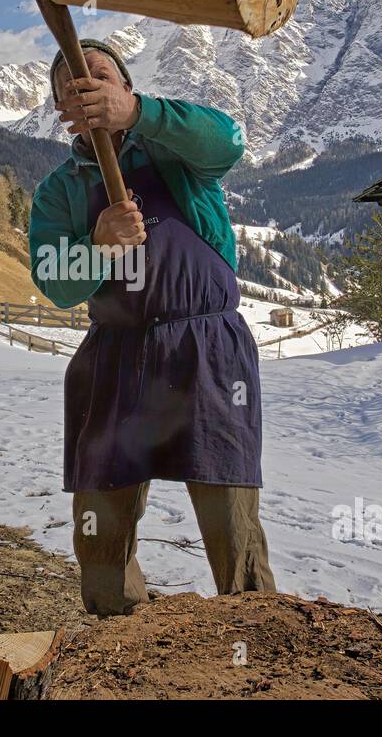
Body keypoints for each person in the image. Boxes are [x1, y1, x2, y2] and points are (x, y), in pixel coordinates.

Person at [28, 37, 276, 617]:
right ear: (63, 110)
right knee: (100, 522)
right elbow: (56, 283)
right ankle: (120, 646)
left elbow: (230, 142)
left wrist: (141, 117)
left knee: (231, 518)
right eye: (71, 81)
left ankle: (261, 643)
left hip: (208, 349)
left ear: (124, 87)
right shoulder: (59, 191)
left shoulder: (177, 149)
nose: (85, 82)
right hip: (115, 357)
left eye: (101, 73)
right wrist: (98, 247)